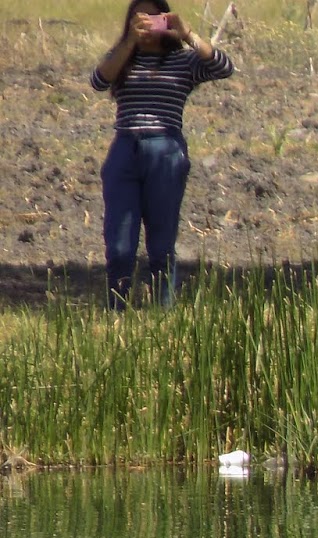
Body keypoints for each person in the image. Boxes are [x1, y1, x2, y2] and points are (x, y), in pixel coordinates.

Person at [92, 1, 235, 309]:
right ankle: (117, 310)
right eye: (139, 17)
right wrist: (129, 42)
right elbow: (99, 80)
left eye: (154, 17)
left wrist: (187, 34)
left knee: (161, 244)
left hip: (165, 148)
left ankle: (163, 311)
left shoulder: (183, 62)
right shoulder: (123, 58)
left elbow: (223, 67)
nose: (147, 23)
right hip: (125, 148)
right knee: (119, 244)